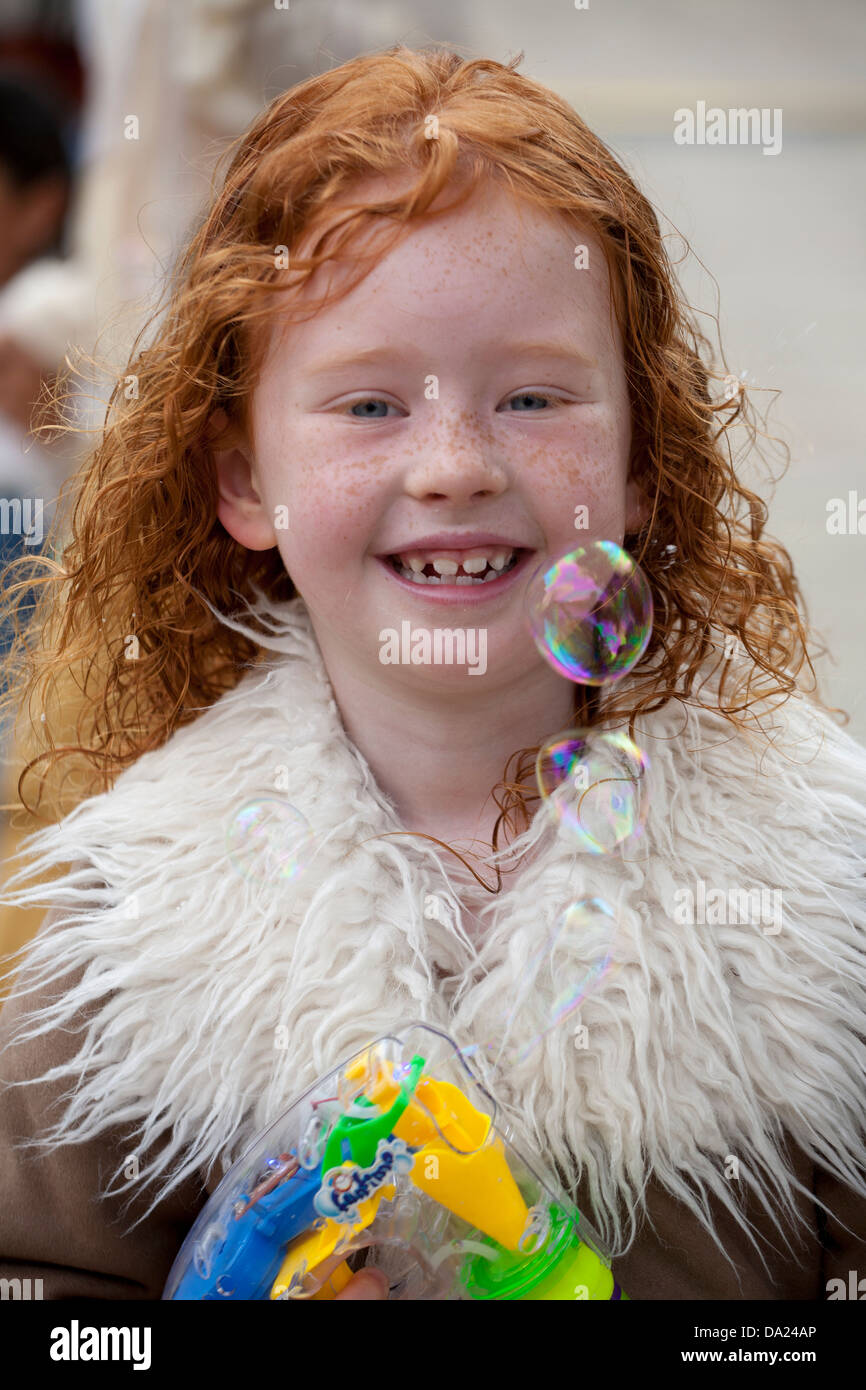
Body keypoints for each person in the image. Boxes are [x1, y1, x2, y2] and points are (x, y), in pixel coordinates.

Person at [0, 46, 863, 1302]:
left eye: (529, 396)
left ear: (638, 458)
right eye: (366, 408)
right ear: (243, 478)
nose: (453, 463)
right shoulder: (116, 942)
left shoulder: (824, 894)